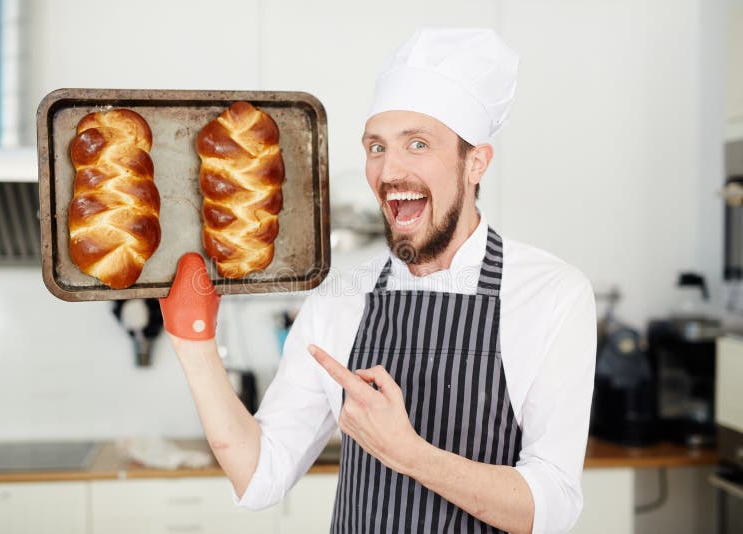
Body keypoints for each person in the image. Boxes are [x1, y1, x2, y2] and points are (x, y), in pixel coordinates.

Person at [159, 27, 597, 534]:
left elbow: (553, 507)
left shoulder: (551, 296)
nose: (389, 171)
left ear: (475, 162)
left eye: (418, 144)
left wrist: (411, 455)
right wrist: (194, 342)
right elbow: (260, 475)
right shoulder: (339, 300)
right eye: (376, 147)